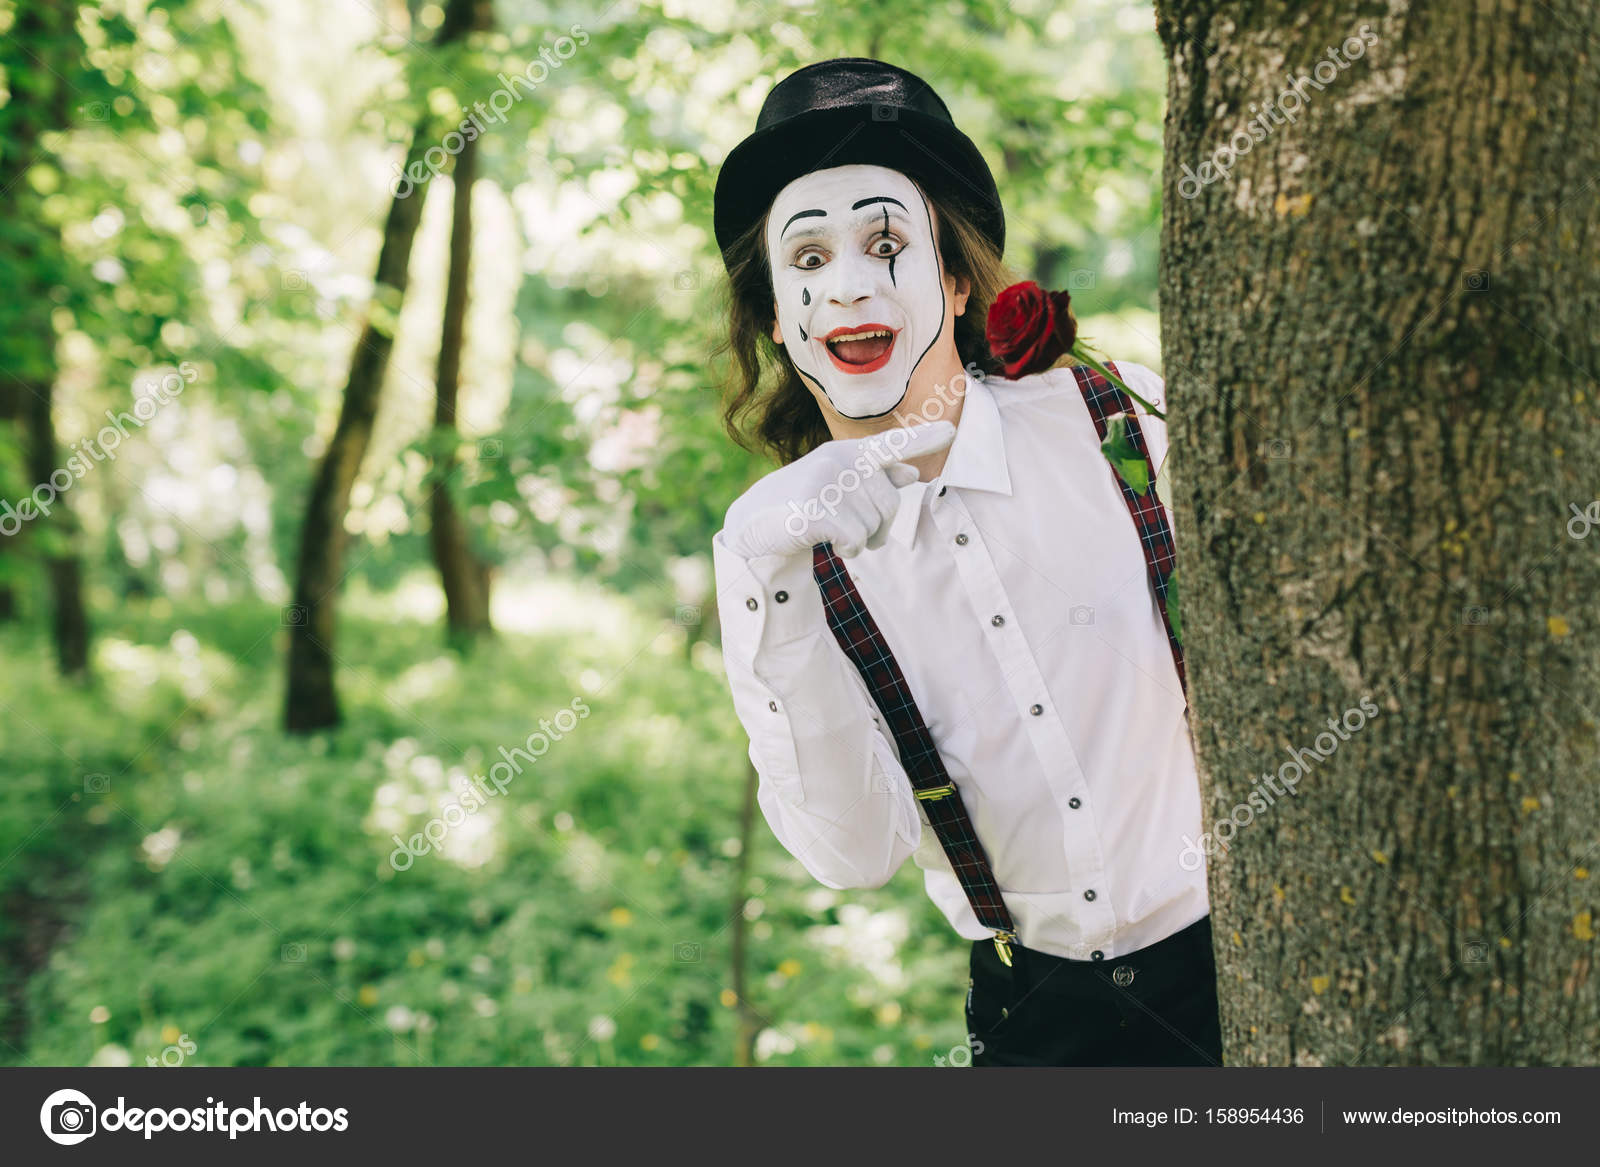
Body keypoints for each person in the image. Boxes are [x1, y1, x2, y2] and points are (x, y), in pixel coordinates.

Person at [708, 57, 1221, 1067]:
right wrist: (770, 569)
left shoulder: (1112, 424)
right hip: (1033, 1017)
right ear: (777, 316)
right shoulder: (778, 554)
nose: (848, 283)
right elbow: (855, 857)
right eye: (805, 260)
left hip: (1240, 961)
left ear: (950, 276)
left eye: (885, 242)